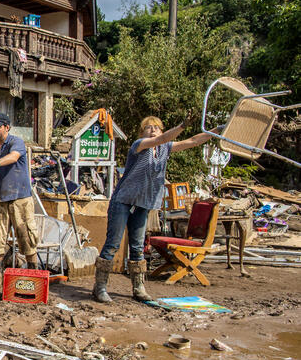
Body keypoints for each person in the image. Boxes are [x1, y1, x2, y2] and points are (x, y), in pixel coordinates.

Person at [93, 116, 220, 303]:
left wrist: (216, 131)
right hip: (124, 200)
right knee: (113, 243)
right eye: (148, 127)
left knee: (137, 246)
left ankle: (138, 287)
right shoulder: (139, 145)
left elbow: (193, 141)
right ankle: (100, 287)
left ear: (161, 130)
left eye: (156, 127)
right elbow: (161, 139)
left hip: (144, 202)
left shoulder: (165, 149)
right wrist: (182, 125)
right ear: (142, 132)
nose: (152, 130)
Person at [0, 113, 39, 290]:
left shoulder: (16, 142)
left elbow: (13, 157)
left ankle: (34, 276)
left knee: (26, 237)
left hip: (20, 198)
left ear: (7, 127)